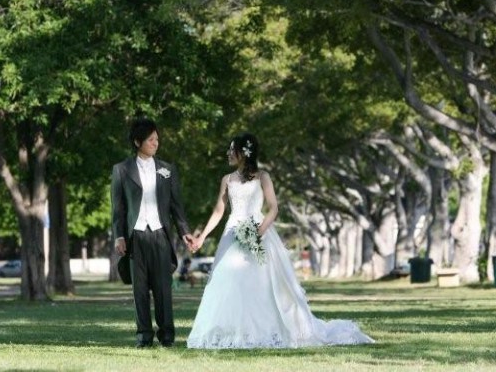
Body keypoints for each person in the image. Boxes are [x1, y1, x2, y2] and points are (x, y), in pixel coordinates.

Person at [186, 133, 374, 349]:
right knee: (228, 281)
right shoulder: (227, 180)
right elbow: (219, 211)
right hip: (232, 233)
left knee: (260, 283)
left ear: (243, 153)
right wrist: (201, 237)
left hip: (258, 229)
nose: (228, 153)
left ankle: (263, 330)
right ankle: (229, 331)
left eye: (232, 149)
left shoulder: (262, 177)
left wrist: (259, 232)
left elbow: (273, 208)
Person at [112, 117, 194, 348]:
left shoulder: (168, 170)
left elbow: (176, 206)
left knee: (163, 290)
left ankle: (167, 336)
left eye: (157, 139)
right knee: (139, 291)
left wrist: (185, 232)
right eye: (150, 139)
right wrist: (119, 236)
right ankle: (144, 336)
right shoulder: (121, 170)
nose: (156, 143)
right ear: (137, 142)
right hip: (135, 237)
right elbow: (118, 208)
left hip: (160, 235)